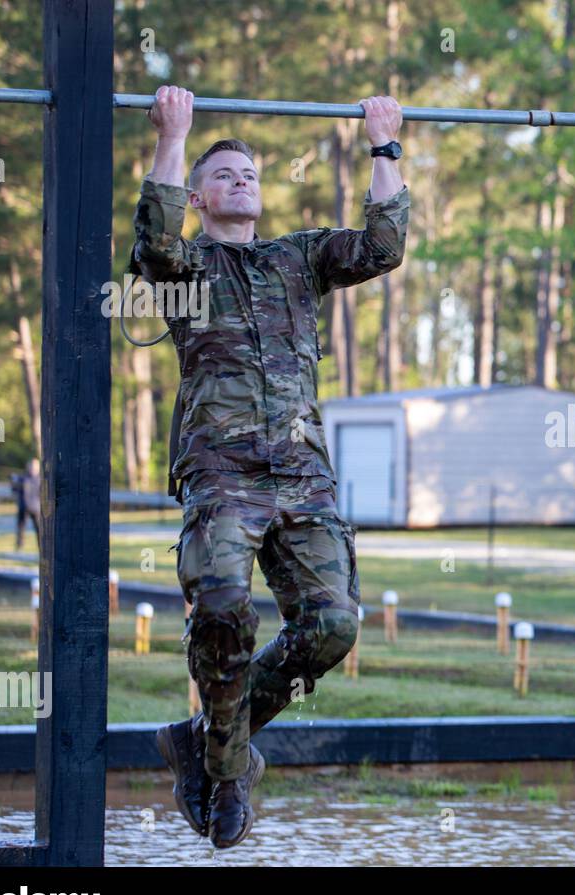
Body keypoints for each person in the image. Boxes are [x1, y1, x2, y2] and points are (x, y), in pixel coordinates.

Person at [134, 85, 409, 847]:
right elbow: (152, 245)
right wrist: (174, 134)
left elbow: (383, 247)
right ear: (197, 195)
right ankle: (226, 766)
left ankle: (209, 745)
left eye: (249, 173)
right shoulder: (187, 266)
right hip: (221, 474)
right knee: (222, 608)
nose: (241, 180)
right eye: (222, 174)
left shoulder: (299, 257)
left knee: (332, 625)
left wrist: (384, 145)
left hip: (302, 478)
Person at [12, 459, 40, 552]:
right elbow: (14, 490)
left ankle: (41, 547)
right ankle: (19, 547)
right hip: (23, 507)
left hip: (35, 508)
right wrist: (14, 482)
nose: (33, 469)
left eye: (35, 467)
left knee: (39, 529)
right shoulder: (22, 478)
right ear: (28, 467)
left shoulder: (40, 479)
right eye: (31, 467)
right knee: (21, 528)